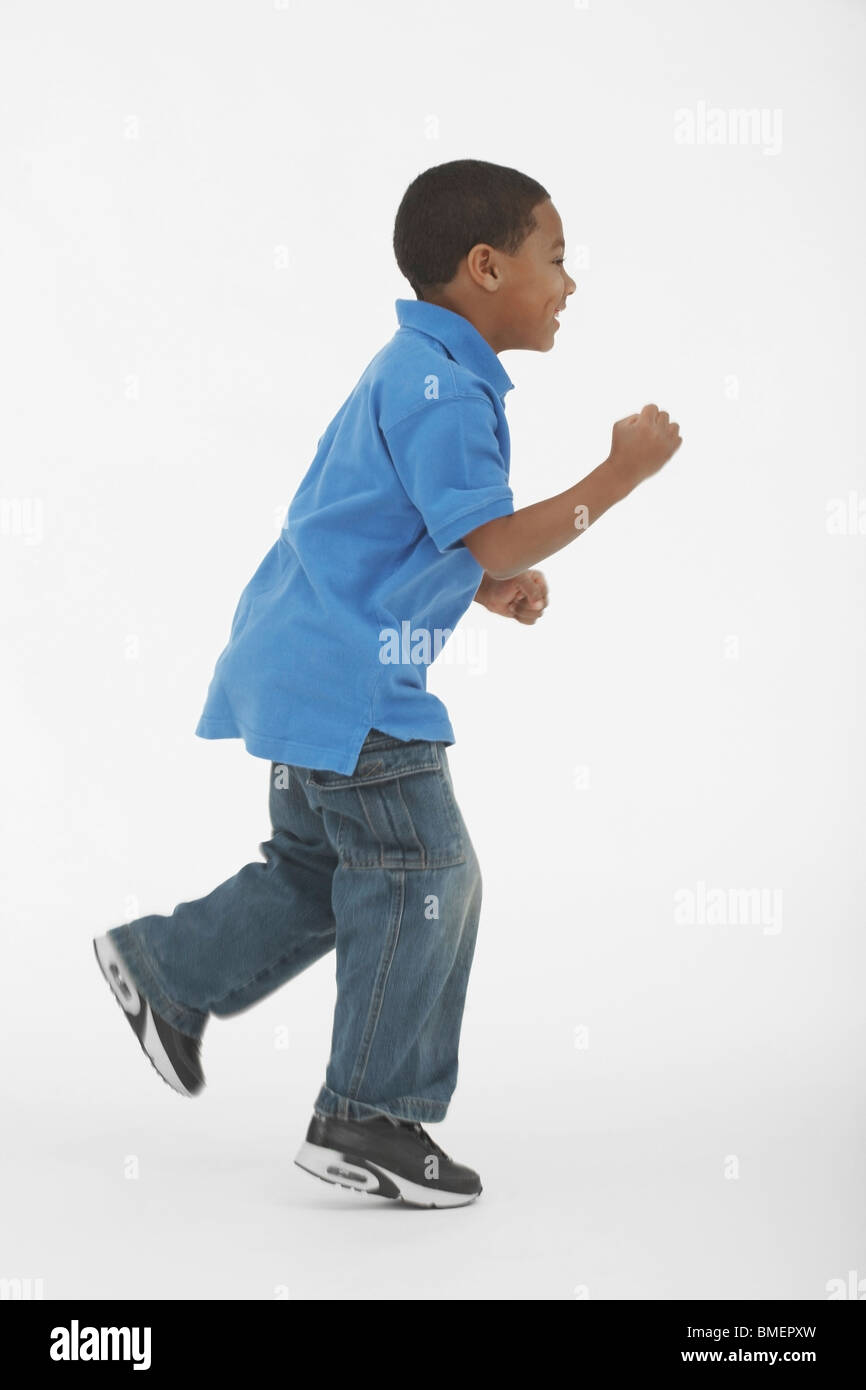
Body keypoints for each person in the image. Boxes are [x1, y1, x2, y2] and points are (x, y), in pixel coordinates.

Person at [93, 158, 683, 1208]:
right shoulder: (444, 391)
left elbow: (404, 527)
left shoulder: (412, 370)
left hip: (299, 659)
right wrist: (616, 479)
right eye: (556, 258)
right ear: (485, 265)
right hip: (354, 685)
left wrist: (481, 584)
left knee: (322, 874)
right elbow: (489, 528)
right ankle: (366, 1112)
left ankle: (168, 970)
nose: (569, 282)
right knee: (425, 876)